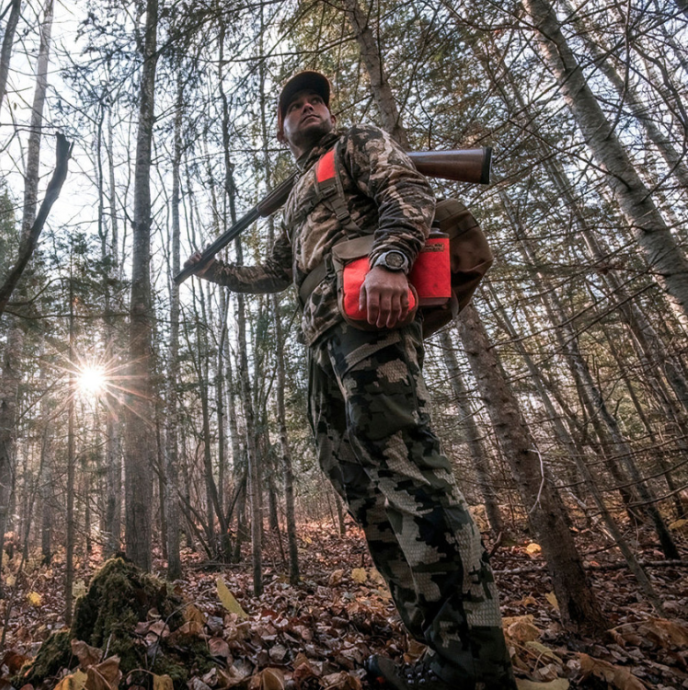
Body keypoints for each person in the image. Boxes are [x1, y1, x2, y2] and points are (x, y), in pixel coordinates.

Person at [184, 71, 517, 690]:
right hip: (322, 339)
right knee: (364, 488)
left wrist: (391, 262)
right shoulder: (295, 196)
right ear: (281, 127)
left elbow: (408, 189)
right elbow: (279, 274)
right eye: (294, 106)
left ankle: (475, 665)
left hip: (372, 315)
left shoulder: (357, 143)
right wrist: (217, 272)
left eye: (316, 101)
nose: (308, 107)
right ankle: (440, 653)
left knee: (408, 470)